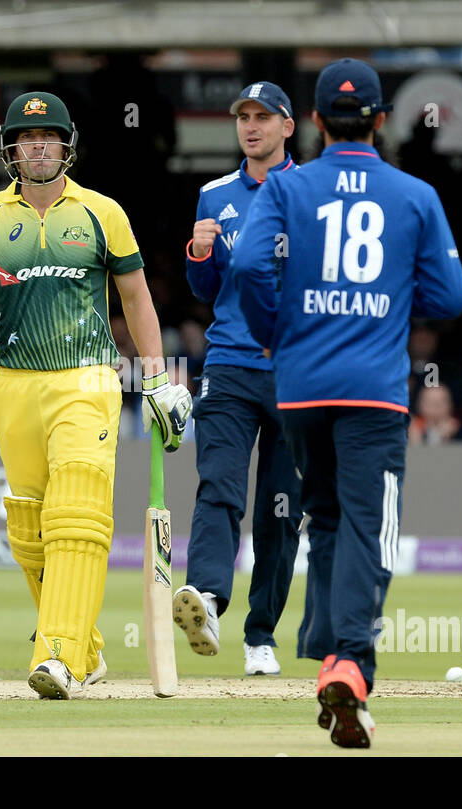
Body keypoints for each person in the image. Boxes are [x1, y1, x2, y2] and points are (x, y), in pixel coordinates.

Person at [233, 58, 462, 747]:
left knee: (325, 517)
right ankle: (351, 661)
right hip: (373, 390)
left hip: (300, 388)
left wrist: (275, 330)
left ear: (312, 121)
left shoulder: (286, 187)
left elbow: (247, 266)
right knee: (374, 525)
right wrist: (390, 304)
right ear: (381, 120)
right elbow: (449, 297)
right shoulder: (415, 193)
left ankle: (331, 654)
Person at [0, 91, 191, 699]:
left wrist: (156, 378)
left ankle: (57, 657)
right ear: (11, 149)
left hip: (87, 380)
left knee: (76, 517)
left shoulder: (103, 212)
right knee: (30, 527)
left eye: (48, 138)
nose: (39, 147)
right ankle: (90, 650)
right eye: (28, 140)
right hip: (14, 384)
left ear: (66, 145)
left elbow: (136, 300)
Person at [174, 81, 302, 677]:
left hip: (297, 371)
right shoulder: (213, 195)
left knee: (281, 510)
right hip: (227, 363)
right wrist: (199, 256)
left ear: (287, 127)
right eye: (243, 117)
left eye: (262, 117)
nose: (250, 127)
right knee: (218, 485)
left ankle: (261, 637)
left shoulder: (312, 194)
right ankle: (206, 598)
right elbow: (205, 292)